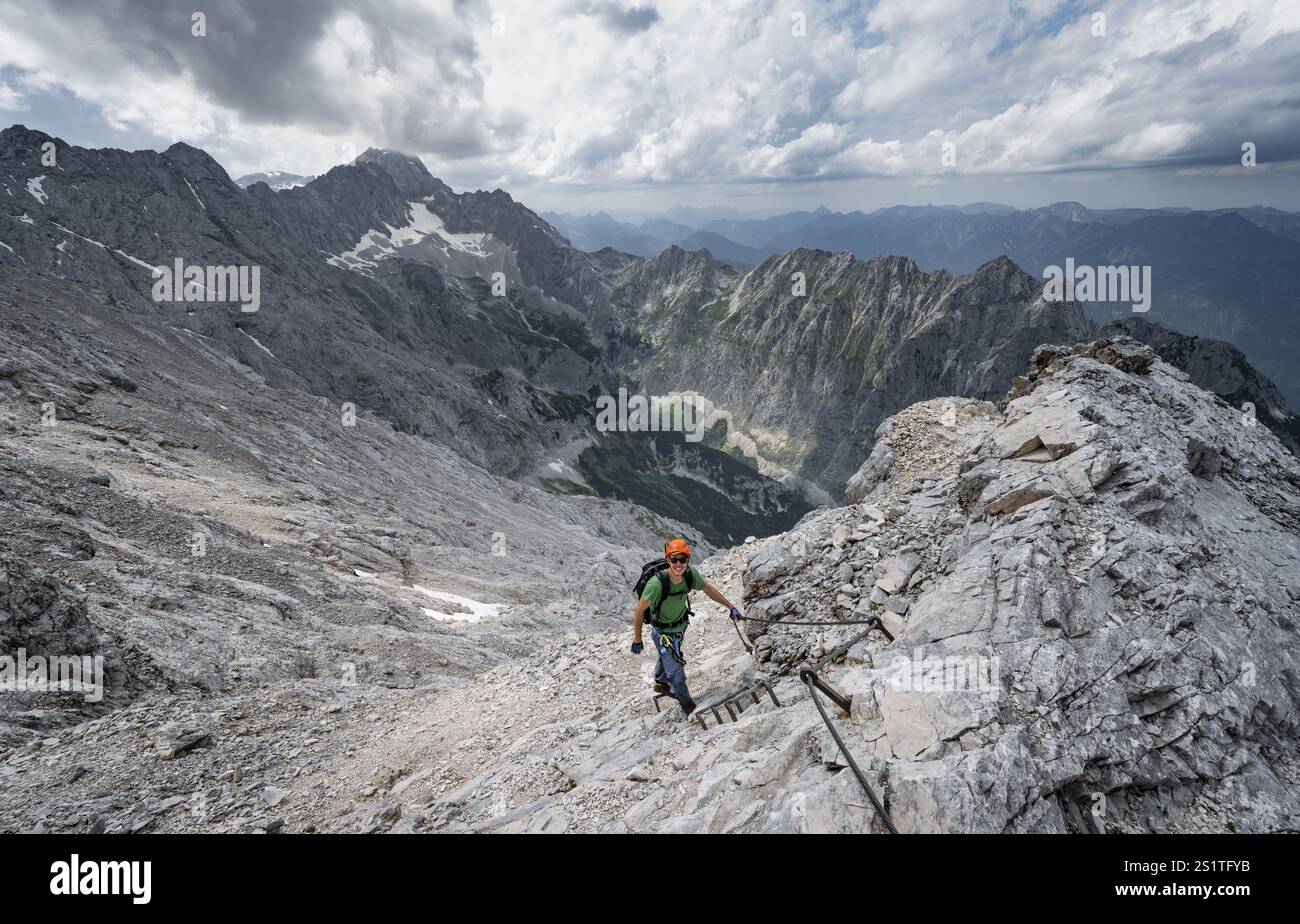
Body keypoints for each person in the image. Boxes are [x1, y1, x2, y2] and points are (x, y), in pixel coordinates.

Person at [631, 538, 742, 716]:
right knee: (677, 675)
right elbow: (638, 611)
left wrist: (731, 607)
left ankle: (660, 681)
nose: (678, 564)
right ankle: (689, 708)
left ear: (687, 560)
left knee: (668, 656)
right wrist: (637, 639)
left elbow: (709, 590)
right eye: (674, 559)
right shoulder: (657, 584)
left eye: (682, 559)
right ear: (668, 560)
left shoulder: (691, 575)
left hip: (680, 628)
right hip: (662, 633)